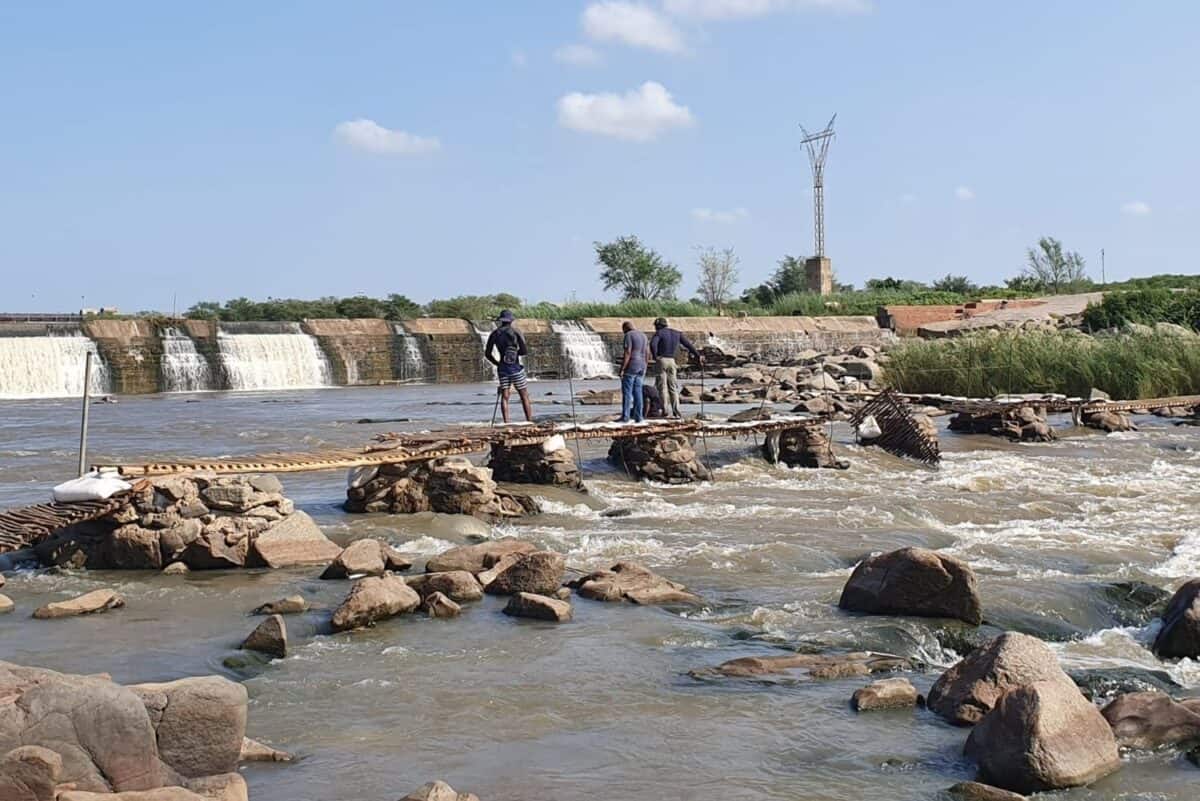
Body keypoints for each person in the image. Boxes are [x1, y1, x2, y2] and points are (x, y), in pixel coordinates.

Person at [484, 310, 533, 423]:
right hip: (515, 367)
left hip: (502, 369)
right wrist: (516, 353)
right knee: (524, 395)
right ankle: (529, 421)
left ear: (501, 321)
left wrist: (497, 363)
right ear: (511, 320)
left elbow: (487, 354)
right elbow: (524, 351)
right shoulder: (516, 332)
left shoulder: (495, 334)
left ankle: (506, 422)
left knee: (505, 396)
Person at [649, 317, 701, 418]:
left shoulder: (659, 333)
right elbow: (689, 345)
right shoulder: (677, 333)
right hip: (672, 361)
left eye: (655, 326)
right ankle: (676, 411)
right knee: (673, 387)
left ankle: (665, 410)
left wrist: (656, 357)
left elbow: (652, 344)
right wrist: (698, 355)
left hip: (662, 360)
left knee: (662, 387)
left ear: (658, 325)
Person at [619, 320, 650, 422]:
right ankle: (639, 416)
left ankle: (625, 417)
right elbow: (647, 352)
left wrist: (622, 368)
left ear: (625, 328)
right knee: (638, 392)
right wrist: (645, 365)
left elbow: (628, 352)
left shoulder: (628, 335)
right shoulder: (643, 336)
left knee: (627, 392)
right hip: (642, 366)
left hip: (632, 365)